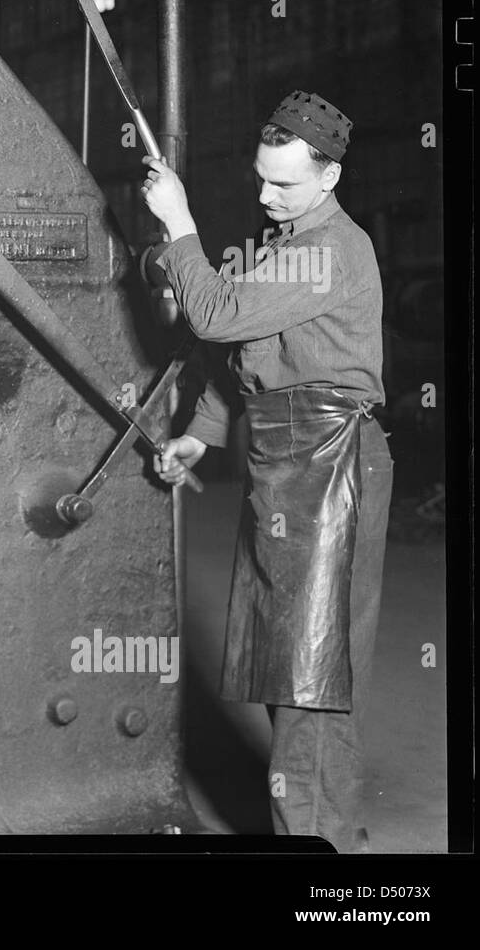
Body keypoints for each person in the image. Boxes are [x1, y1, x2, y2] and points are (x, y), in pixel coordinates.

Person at [140, 91, 393, 853]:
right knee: (294, 673)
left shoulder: (331, 251)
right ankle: (320, 838)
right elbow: (245, 353)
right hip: (283, 460)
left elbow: (216, 313)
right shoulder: (282, 242)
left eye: (283, 183)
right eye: (260, 177)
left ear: (330, 176)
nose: (264, 194)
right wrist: (203, 435)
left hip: (331, 465)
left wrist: (179, 222)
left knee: (313, 680)